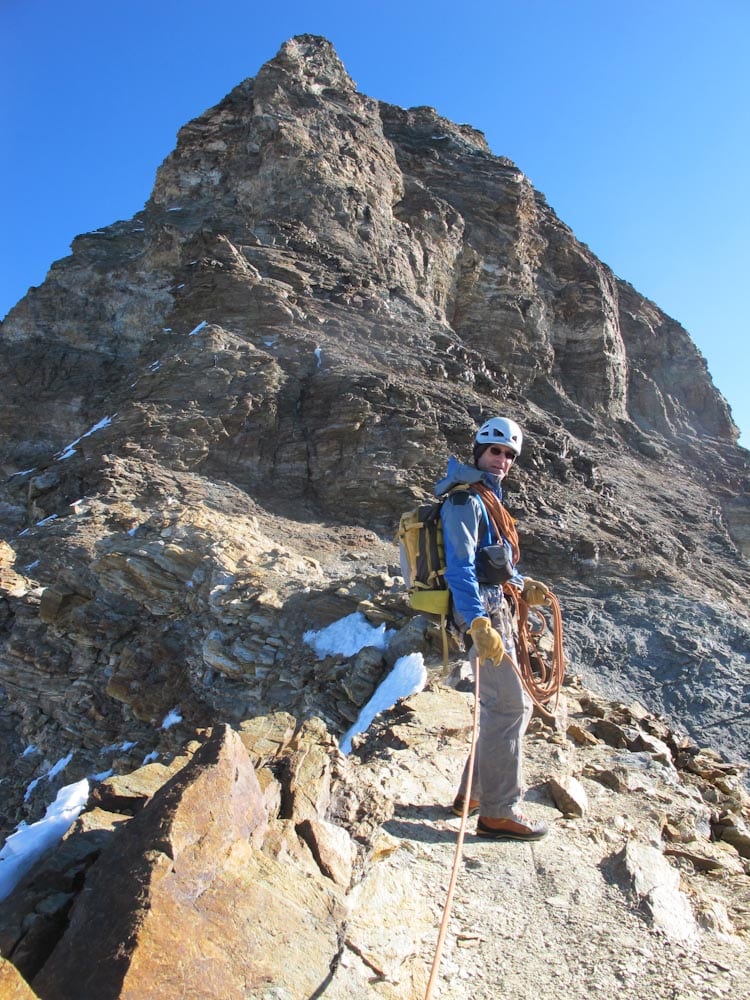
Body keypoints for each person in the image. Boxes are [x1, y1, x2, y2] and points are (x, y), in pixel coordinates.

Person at [436, 416, 550, 841]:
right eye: (494, 451)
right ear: (478, 452)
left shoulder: (488, 499)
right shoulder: (464, 502)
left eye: (508, 454)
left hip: (495, 609)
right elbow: (461, 568)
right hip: (482, 616)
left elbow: (494, 562)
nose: (501, 460)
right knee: (509, 708)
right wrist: (477, 624)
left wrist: (522, 583)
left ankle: (474, 794)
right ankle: (499, 813)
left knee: (506, 707)